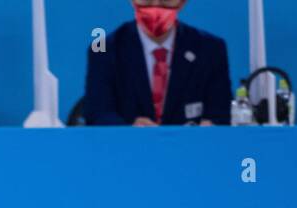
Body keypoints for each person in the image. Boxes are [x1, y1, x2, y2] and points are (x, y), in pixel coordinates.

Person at [83, 0, 232, 127]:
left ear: (183, 2)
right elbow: (97, 113)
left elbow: (221, 113)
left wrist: (210, 127)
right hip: (129, 151)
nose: (155, 5)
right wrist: (129, 129)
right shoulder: (104, 50)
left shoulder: (210, 49)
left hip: (190, 151)